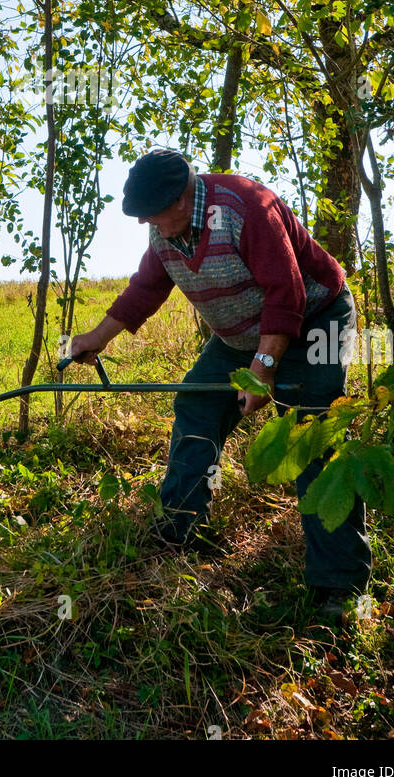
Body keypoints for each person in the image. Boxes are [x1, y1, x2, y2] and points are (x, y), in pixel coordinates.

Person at [69, 148, 371, 618]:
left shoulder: (248, 207)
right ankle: (179, 529)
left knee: (313, 434)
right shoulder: (166, 231)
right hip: (239, 335)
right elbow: (146, 289)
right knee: (197, 406)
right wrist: (94, 339)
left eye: (151, 212)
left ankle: (340, 585)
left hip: (316, 321)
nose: (144, 222)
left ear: (181, 198)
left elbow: (286, 293)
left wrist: (263, 371)